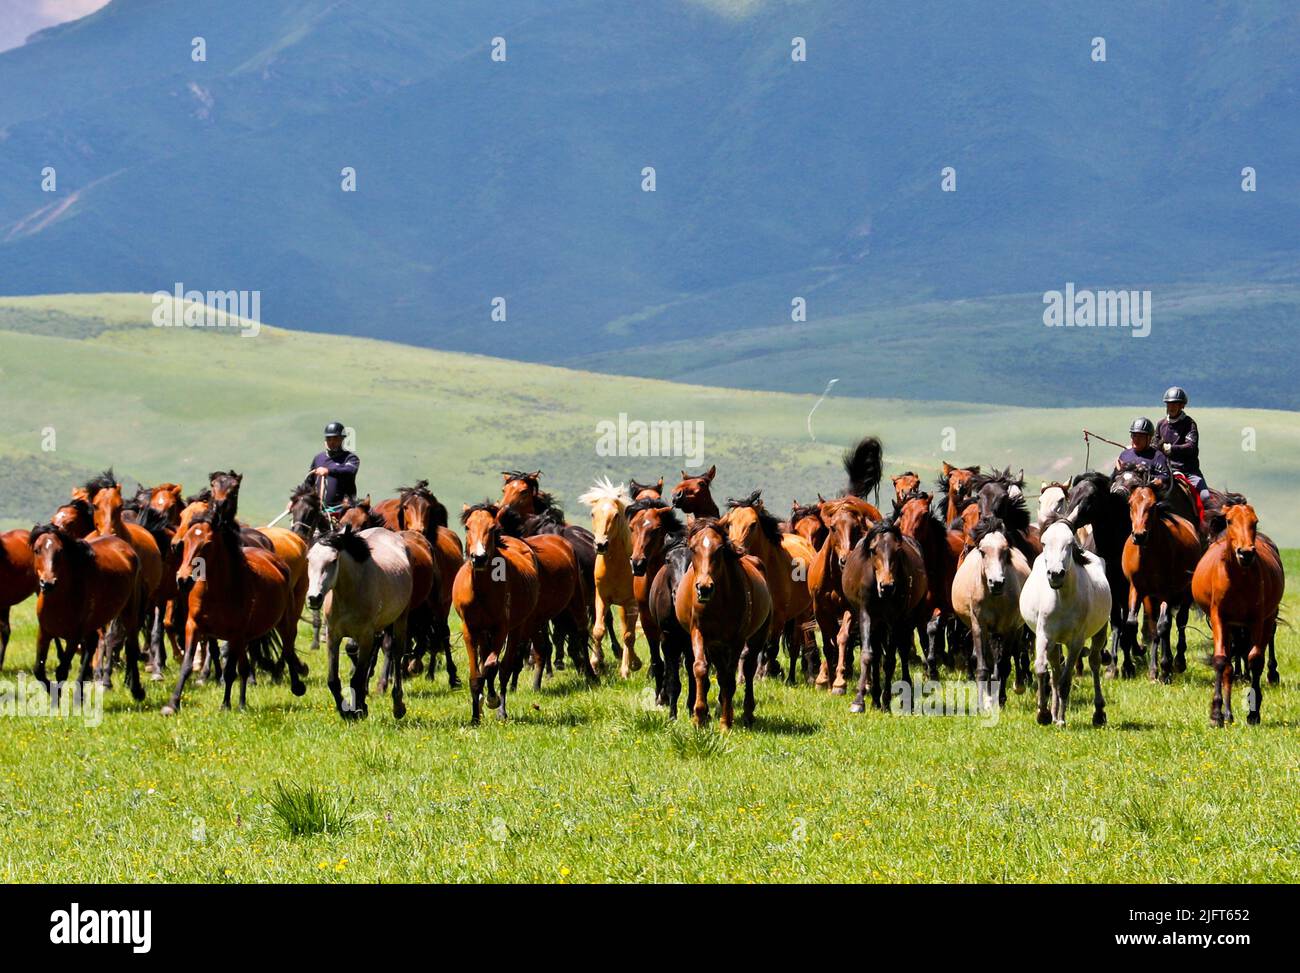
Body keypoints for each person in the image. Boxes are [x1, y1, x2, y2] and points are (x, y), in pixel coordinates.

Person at [1156, 385, 1210, 504]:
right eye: (1169, 404)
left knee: (1205, 497)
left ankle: (1204, 522)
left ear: (1182, 406)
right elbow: (1155, 444)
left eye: (1175, 404)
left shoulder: (1189, 424)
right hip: (1166, 470)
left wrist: (1171, 449)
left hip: (1188, 471)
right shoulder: (1161, 424)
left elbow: (1191, 446)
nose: (1171, 407)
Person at [304, 421, 359, 509]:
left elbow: (350, 471)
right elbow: (308, 484)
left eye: (335, 439)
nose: (332, 442)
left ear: (342, 439)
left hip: (344, 509)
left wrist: (328, 471)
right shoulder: (318, 458)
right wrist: (294, 500)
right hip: (320, 510)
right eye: (329, 439)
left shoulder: (351, 458)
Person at [1116, 417, 1171, 486]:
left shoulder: (1158, 456)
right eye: (1134, 436)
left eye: (1141, 437)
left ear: (1149, 438)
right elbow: (1114, 478)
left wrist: (1154, 480)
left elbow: (1165, 476)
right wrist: (1118, 471)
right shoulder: (1124, 455)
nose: (1136, 440)